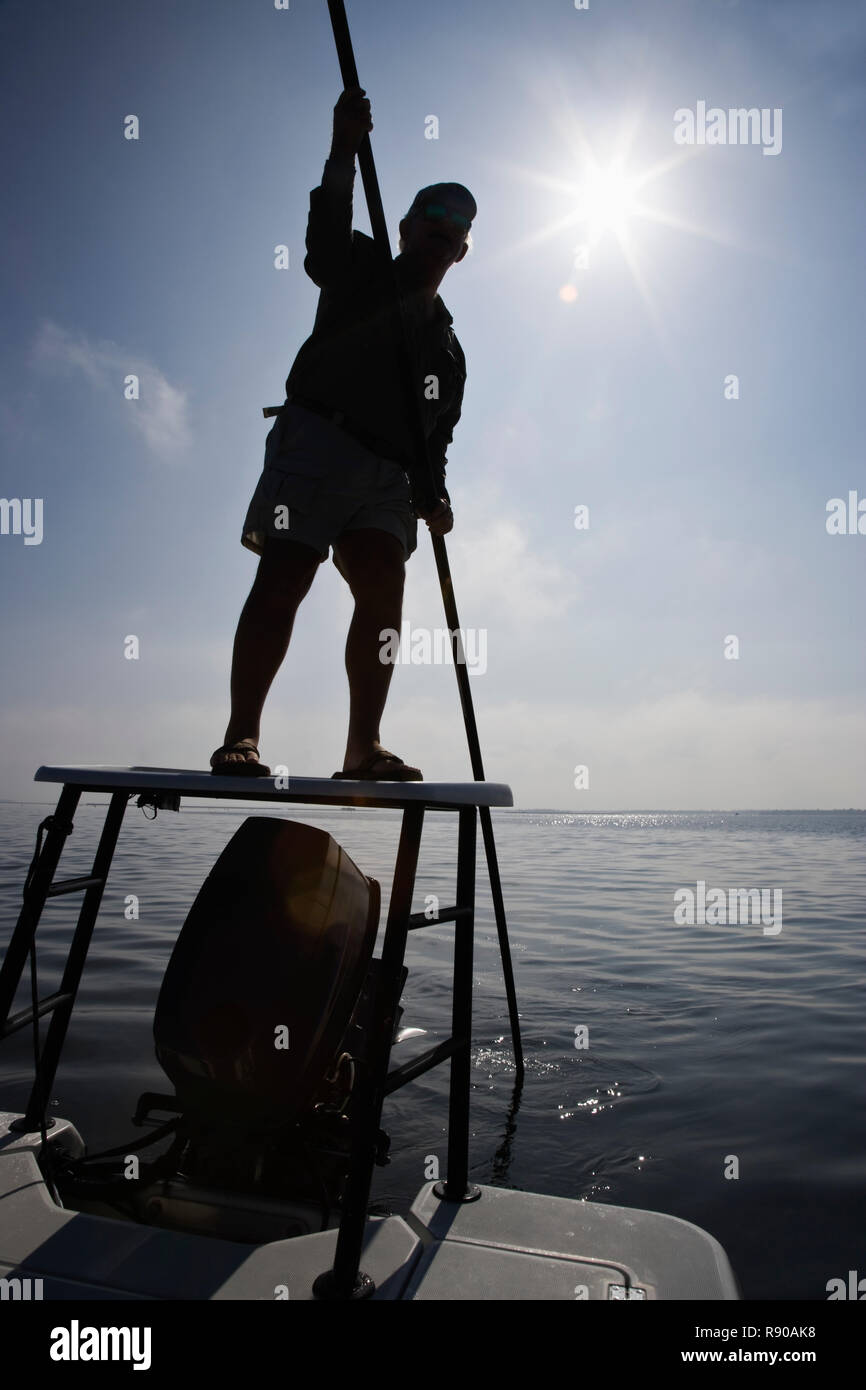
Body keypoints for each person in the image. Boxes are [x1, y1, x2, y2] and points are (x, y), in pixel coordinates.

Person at [210, 87, 475, 781]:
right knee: (287, 571)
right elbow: (323, 242)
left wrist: (436, 495)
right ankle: (242, 736)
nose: (444, 225)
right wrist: (343, 149)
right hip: (317, 443)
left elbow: (435, 437)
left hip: (388, 478)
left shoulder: (449, 352)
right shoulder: (360, 266)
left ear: (463, 250)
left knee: (385, 585)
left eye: (459, 223)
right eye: (433, 213)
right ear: (411, 225)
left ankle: (364, 748)